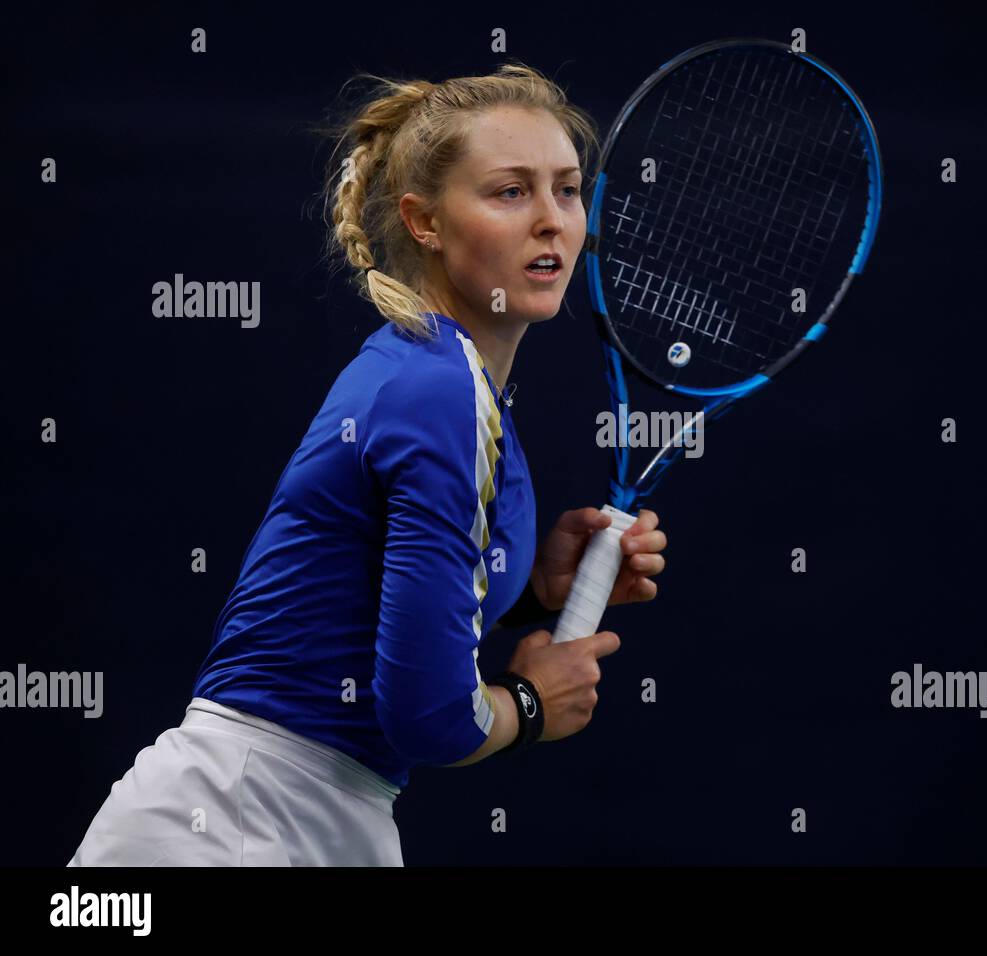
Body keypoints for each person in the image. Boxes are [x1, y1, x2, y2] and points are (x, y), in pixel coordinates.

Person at [67, 63, 667, 867]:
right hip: (232, 825)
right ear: (423, 222)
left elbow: (373, 599)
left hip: (293, 817)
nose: (553, 221)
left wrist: (532, 590)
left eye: (566, 188)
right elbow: (426, 715)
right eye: (510, 192)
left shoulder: (442, 375)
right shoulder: (440, 391)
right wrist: (529, 699)